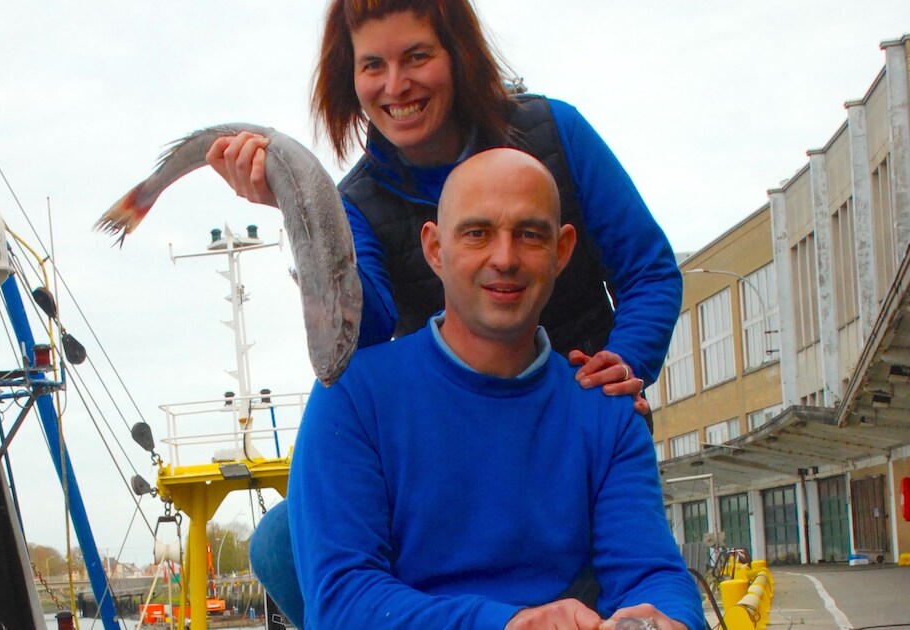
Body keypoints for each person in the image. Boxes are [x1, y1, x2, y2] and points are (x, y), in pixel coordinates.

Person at [207, 0, 684, 623]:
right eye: (372, 64)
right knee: (283, 538)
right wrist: (308, 218)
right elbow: (363, 336)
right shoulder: (354, 202)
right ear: (435, 245)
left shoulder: (554, 133)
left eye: (417, 56)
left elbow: (649, 270)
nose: (396, 85)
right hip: (450, 436)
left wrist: (623, 364)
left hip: (570, 413)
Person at [287, 147, 700, 629]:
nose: (504, 259)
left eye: (529, 235)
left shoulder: (607, 410)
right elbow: (342, 600)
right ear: (435, 249)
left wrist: (667, 621)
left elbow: (652, 573)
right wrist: (509, 623)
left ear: (562, 250)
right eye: (478, 233)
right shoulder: (353, 397)